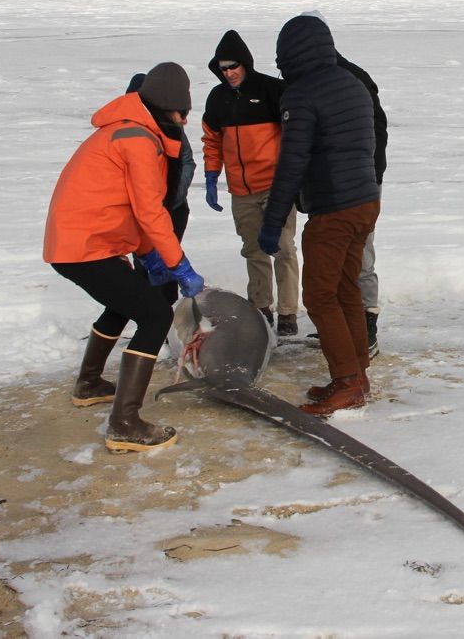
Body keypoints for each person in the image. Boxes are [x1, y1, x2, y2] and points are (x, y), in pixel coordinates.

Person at [44, 62, 206, 453]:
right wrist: (177, 263)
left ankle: (89, 383)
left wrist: (150, 255)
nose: (186, 120)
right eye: (184, 112)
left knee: (131, 301)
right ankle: (125, 423)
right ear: (170, 108)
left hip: (85, 242)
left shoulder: (129, 130)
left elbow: (125, 208)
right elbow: (149, 210)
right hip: (84, 246)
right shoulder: (138, 139)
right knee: (154, 314)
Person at [258, 14, 380, 416]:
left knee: (320, 297)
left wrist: (273, 222)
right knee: (346, 290)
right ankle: (356, 374)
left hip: (334, 209)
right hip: (365, 201)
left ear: (290, 53)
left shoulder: (302, 93)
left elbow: (291, 163)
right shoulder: (354, 83)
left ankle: (347, 383)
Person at [200, 30, 298, 336]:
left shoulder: (272, 90)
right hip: (241, 191)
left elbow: (295, 134)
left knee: (283, 248)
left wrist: (294, 175)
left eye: (233, 67)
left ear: (245, 64)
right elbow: (212, 140)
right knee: (253, 249)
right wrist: (212, 174)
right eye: (223, 68)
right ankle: (261, 308)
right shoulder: (217, 98)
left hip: (275, 186)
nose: (228, 73)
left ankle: (288, 313)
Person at [127, 72, 195, 305]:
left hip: (170, 208)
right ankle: (145, 316)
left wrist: (171, 199)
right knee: (143, 265)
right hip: (140, 211)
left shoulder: (171, 127)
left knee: (168, 262)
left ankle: (165, 320)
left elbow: (187, 161)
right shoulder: (128, 133)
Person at [337, 52, 388, 358]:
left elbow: (377, 134)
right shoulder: (314, 77)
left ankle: (368, 328)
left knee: (361, 255)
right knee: (339, 256)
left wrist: (371, 174)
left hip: (363, 182)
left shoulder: (355, 81)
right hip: (338, 184)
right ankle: (347, 322)